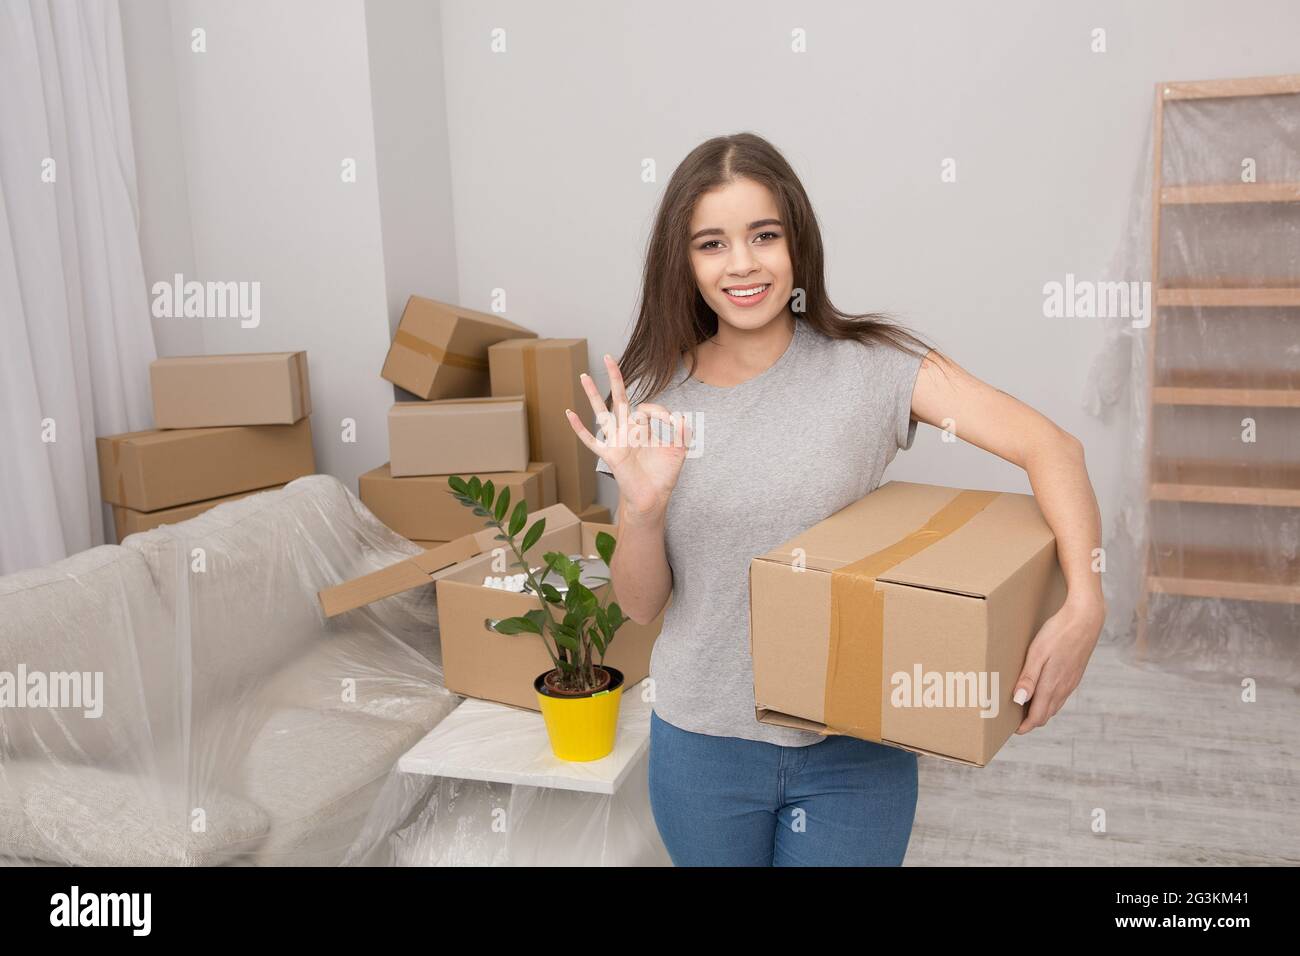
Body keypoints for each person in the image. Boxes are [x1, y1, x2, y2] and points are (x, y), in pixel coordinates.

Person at [562, 132, 1106, 866]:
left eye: (763, 235)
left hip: (855, 746)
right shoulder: (657, 397)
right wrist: (646, 512)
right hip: (704, 746)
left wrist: (1084, 608)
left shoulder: (872, 370)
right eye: (712, 244)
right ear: (683, 262)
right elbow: (638, 605)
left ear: (797, 244)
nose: (744, 264)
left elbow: (1053, 449)